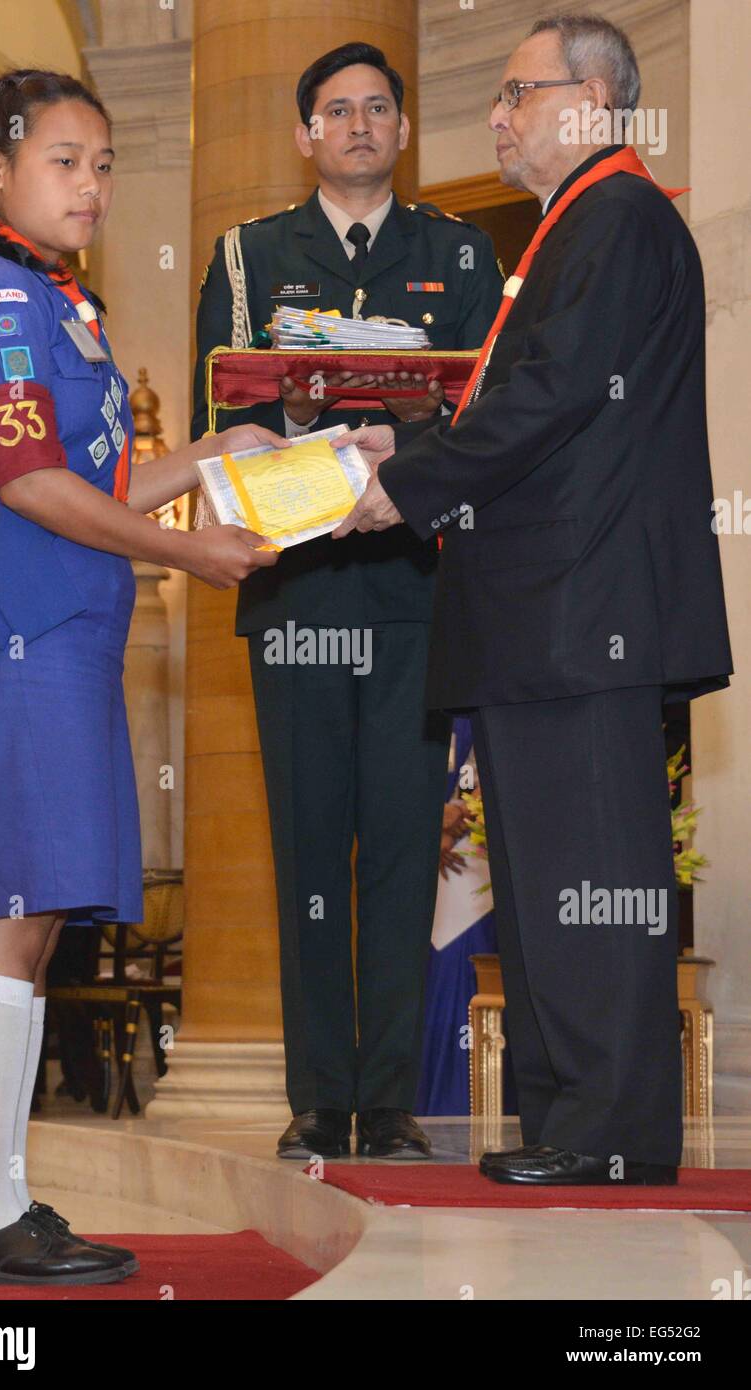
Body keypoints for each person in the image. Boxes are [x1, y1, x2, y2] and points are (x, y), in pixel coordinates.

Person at [334, 14, 732, 1185]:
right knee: (554, 875)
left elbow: (551, 399)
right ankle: (571, 1118)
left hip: (584, 607)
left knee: (592, 875)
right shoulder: (576, 227)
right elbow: (529, 405)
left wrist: (404, 485)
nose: (497, 116)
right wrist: (402, 436)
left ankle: (608, 1131)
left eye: (516, 93)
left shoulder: (616, 217)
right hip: (546, 609)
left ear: (592, 103)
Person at [0, 68, 295, 1284]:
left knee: (30, 932)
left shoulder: (54, 303)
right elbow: (34, 488)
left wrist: (203, 456)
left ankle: (6, 1204)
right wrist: (193, 547)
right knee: (4, 927)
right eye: (63, 161)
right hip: (19, 642)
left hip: (63, 645)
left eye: (103, 162)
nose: (90, 184)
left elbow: (103, 480)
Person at [193, 42, 504, 1161]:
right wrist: (324, 477)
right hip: (299, 594)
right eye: (338, 110)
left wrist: (394, 474)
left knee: (402, 847)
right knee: (311, 847)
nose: (361, 124)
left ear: (405, 129)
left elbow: (479, 420)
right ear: (304, 134)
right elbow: (224, 423)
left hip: (418, 593)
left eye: (380, 107)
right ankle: (320, 1095)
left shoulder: (462, 255)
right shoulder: (244, 256)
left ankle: (390, 1100)